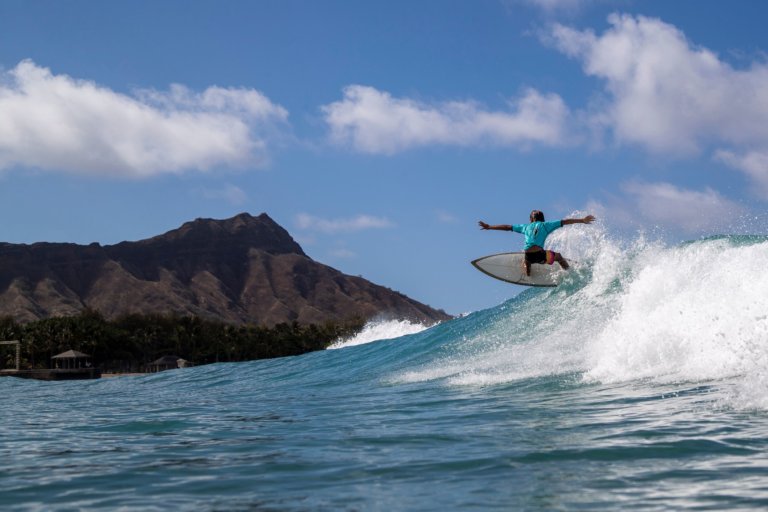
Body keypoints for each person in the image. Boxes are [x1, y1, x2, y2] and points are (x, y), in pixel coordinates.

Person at [478, 210, 595, 276]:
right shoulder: (546, 225)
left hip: (528, 255)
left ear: (531, 219)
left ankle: (527, 270)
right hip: (540, 255)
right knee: (559, 257)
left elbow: (507, 227)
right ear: (542, 218)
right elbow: (565, 221)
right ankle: (569, 273)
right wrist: (582, 220)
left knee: (527, 262)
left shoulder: (525, 227)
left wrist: (489, 227)